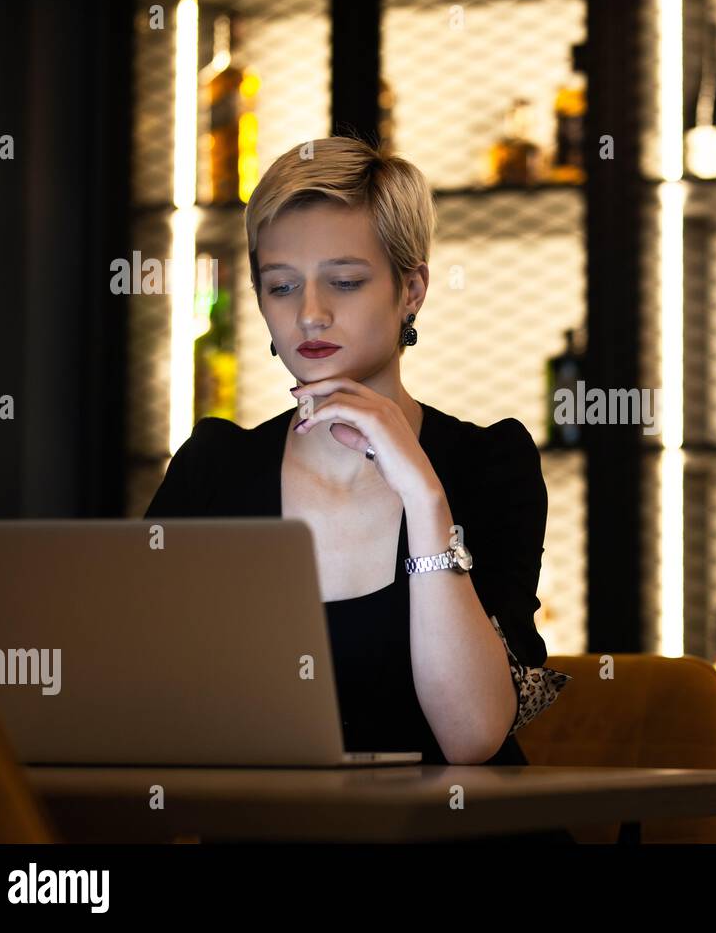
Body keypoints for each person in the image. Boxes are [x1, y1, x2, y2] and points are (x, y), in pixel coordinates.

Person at [146, 137, 573, 842]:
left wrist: (424, 497)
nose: (309, 313)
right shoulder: (213, 468)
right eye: (280, 285)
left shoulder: (487, 463)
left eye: (343, 281)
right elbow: (138, 692)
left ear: (412, 289)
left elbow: (470, 735)